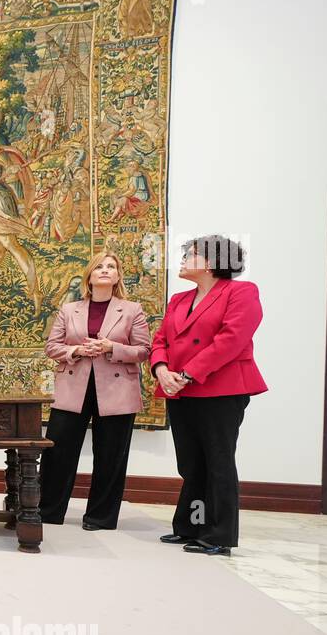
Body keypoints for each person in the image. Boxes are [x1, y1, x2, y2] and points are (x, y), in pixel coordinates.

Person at [151, 235, 266, 556]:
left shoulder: (241, 292)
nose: (185, 259)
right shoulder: (179, 299)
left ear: (215, 261)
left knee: (217, 461)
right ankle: (190, 525)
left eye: (192, 254)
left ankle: (217, 534)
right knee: (191, 463)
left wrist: (187, 374)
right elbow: (160, 339)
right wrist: (161, 369)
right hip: (178, 388)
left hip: (221, 388)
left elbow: (231, 339)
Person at [39, 252, 150, 530]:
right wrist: (76, 349)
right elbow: (52, 347)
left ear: (117, 276)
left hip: (116, 388)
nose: (105, 270)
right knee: (58, 451)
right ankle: (48, 511)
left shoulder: (132, 309)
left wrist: (112, 348)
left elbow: (143, 350)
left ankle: (100, 517)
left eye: (111, 267)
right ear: (89, 276)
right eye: (99, 266)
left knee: (111, 455)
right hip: (73, 385)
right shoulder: (69, 309)